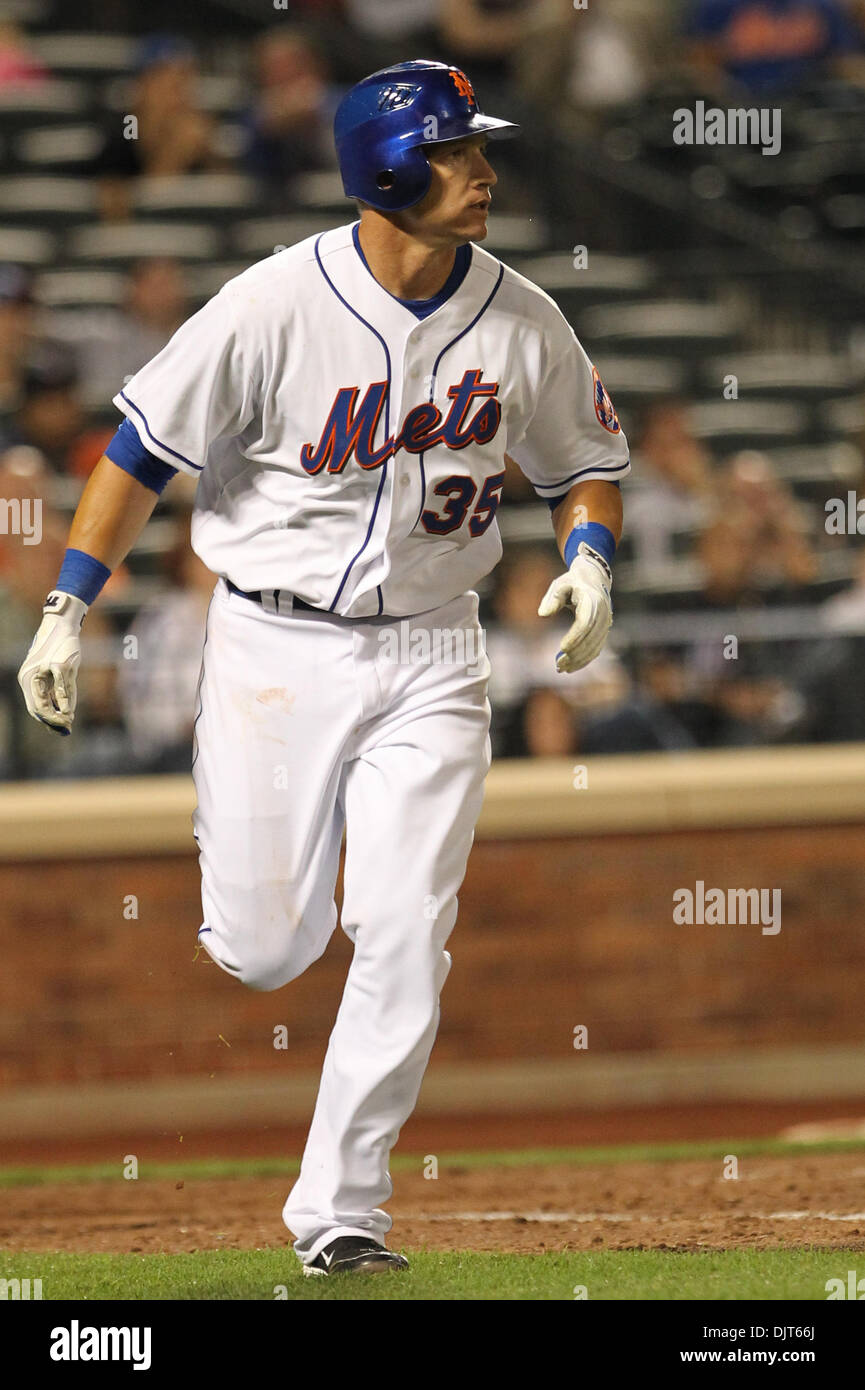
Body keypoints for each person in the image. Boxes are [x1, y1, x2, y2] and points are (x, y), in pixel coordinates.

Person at [17, 59, 629, 1277]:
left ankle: (341, 1211)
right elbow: (138, 452)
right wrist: (65, 605)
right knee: (265, 948)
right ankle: (258, 909)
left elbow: (582, 458)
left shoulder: (520, 314)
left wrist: (591, 556)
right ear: (387, 168)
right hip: (274, 646)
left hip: (436, 652)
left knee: (404, 926)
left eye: (475, 149)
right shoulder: (269, 306)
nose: (482, 171)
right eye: (456, 152)